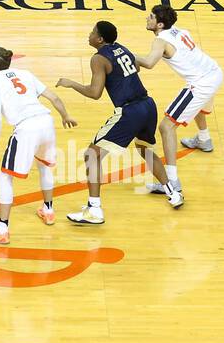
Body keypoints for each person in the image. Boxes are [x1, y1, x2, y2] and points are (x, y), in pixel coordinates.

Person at [57, 21, 180, 226]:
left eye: (92, 32)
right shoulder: (122, 48)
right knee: (146, 150)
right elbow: (135, 68)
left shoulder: (98, 58)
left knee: (92, 155)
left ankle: (94, 210)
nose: (89, 34)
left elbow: (94, 93)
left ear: (100, 39)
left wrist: (71, 84)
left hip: (129, 111)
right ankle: (173, 193)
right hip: (148, 105)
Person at [0, 46, 77, 240]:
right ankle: (48, 211)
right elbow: (53, 97)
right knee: (44, 167)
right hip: (46, 122)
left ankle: (2, 231)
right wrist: (65, 115)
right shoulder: (26, 74)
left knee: (5, 177)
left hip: (26, 128)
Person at [134, 4, 224, 201]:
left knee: (166, 127)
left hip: (201, 83)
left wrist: (130, 56)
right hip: (214, 72)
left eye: (150, 17)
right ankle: (204, 139)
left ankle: (172, 181)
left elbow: (149, 63)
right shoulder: (181, 30)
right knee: (197, 105)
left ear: (159, 24)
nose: (147, 19)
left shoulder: (160, 41)